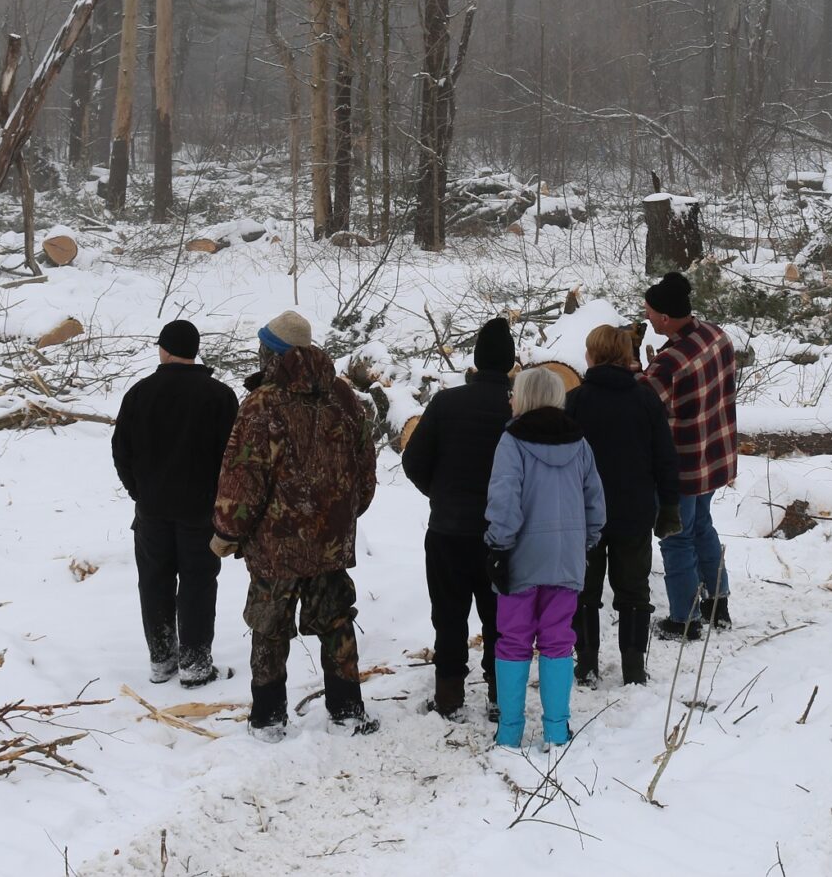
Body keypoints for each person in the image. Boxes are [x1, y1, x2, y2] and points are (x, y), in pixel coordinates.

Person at [212, 310, 381, 740]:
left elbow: (243, 476)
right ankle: (347, 711)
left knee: (269, 629)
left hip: (275, 545)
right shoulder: (343, 397)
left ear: (275, 354)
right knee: (336, 620)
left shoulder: (262, 404)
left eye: (263, 348)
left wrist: (227, 531)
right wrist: (342, 515)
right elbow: (366, 468)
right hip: (330, 541)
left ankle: (268, 720)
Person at [111, 319, 239, 687]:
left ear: (165, 350)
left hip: (152, 511)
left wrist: (139, 492)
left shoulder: (139, 393)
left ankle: (162, 659)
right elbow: (232, 458)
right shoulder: (219, 396)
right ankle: (195, 664)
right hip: (201, 511)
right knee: (199, 583)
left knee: (154, 582)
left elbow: (121, 450)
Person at [400, 318, 516, 722]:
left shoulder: (446, 403)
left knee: (448, 616)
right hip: (503, 535)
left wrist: (441, 495)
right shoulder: (518, 407)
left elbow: (412, 460)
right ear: (511, 362)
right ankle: (502, 696)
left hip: (448, 530)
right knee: (502, 618)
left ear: (476, 359)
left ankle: (448, 697)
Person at [484, 367, 605, 749]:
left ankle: (510, 731)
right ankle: (556, 728)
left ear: (523, 397)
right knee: (557, 640)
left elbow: (504, 499)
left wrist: (497, 545)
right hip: (566, 557)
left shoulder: (512, 441)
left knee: (513, 640)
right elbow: (594, 501)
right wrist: (586, 540)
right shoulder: (580, 442)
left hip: (520, 555)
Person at [565, 323, 680, 686]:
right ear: (626, 356)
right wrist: (670, 507)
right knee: (633, 590)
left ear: (594, 355)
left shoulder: (576, 401)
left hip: (583, 514)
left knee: (584, 590)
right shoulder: (645, 399)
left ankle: (586, 664)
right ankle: (633, 668)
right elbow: (665, 457)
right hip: (634, 511)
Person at [640, 270, 738, 640]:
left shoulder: (670, 362)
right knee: (701, 526)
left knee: (676, 536)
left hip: (682, 463)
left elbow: (643, 405)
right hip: (716, 454)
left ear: (665, 317)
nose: (646, 318)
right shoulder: (715, 334)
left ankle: (684, 620)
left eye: (649, 312)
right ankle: (718, 603)